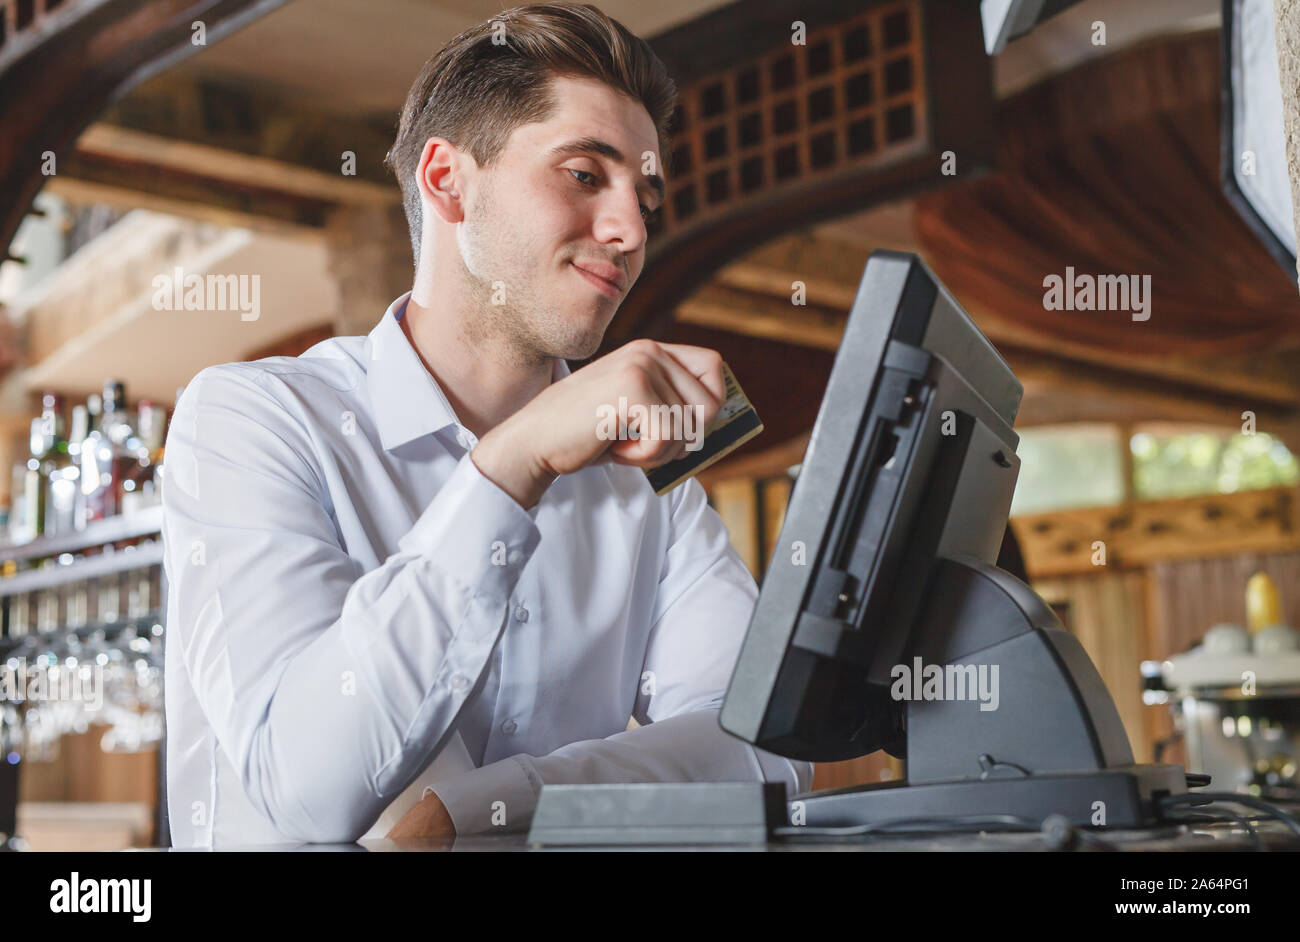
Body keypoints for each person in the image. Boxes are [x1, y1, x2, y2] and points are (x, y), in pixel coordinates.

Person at [162, 1, 813, 847]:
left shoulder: (646, 477)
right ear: (447, 182)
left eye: (645, 198)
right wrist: (515, 462)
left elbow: (761, 747)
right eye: (585, 174)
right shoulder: (256, 418)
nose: (629, 230)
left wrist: (489, 807)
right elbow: (306, 787)